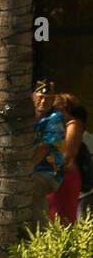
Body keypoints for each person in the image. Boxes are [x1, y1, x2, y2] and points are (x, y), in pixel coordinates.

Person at [32, 80, 65, 225]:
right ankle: (42, 238)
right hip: (33, 171)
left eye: (48, 98)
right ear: (32, 96)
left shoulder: (54, 118)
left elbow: (44, 148)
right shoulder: (28, 117)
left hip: (48, 172)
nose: (44, 101)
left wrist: (24, 169)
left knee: (24, 187)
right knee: (36, 205)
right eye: (40, 97)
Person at [49, 94, 86, 224]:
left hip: (66, 176)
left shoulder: (73, 125)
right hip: (54, 175)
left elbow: (69, 154)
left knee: (64, 217)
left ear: (62, 108)